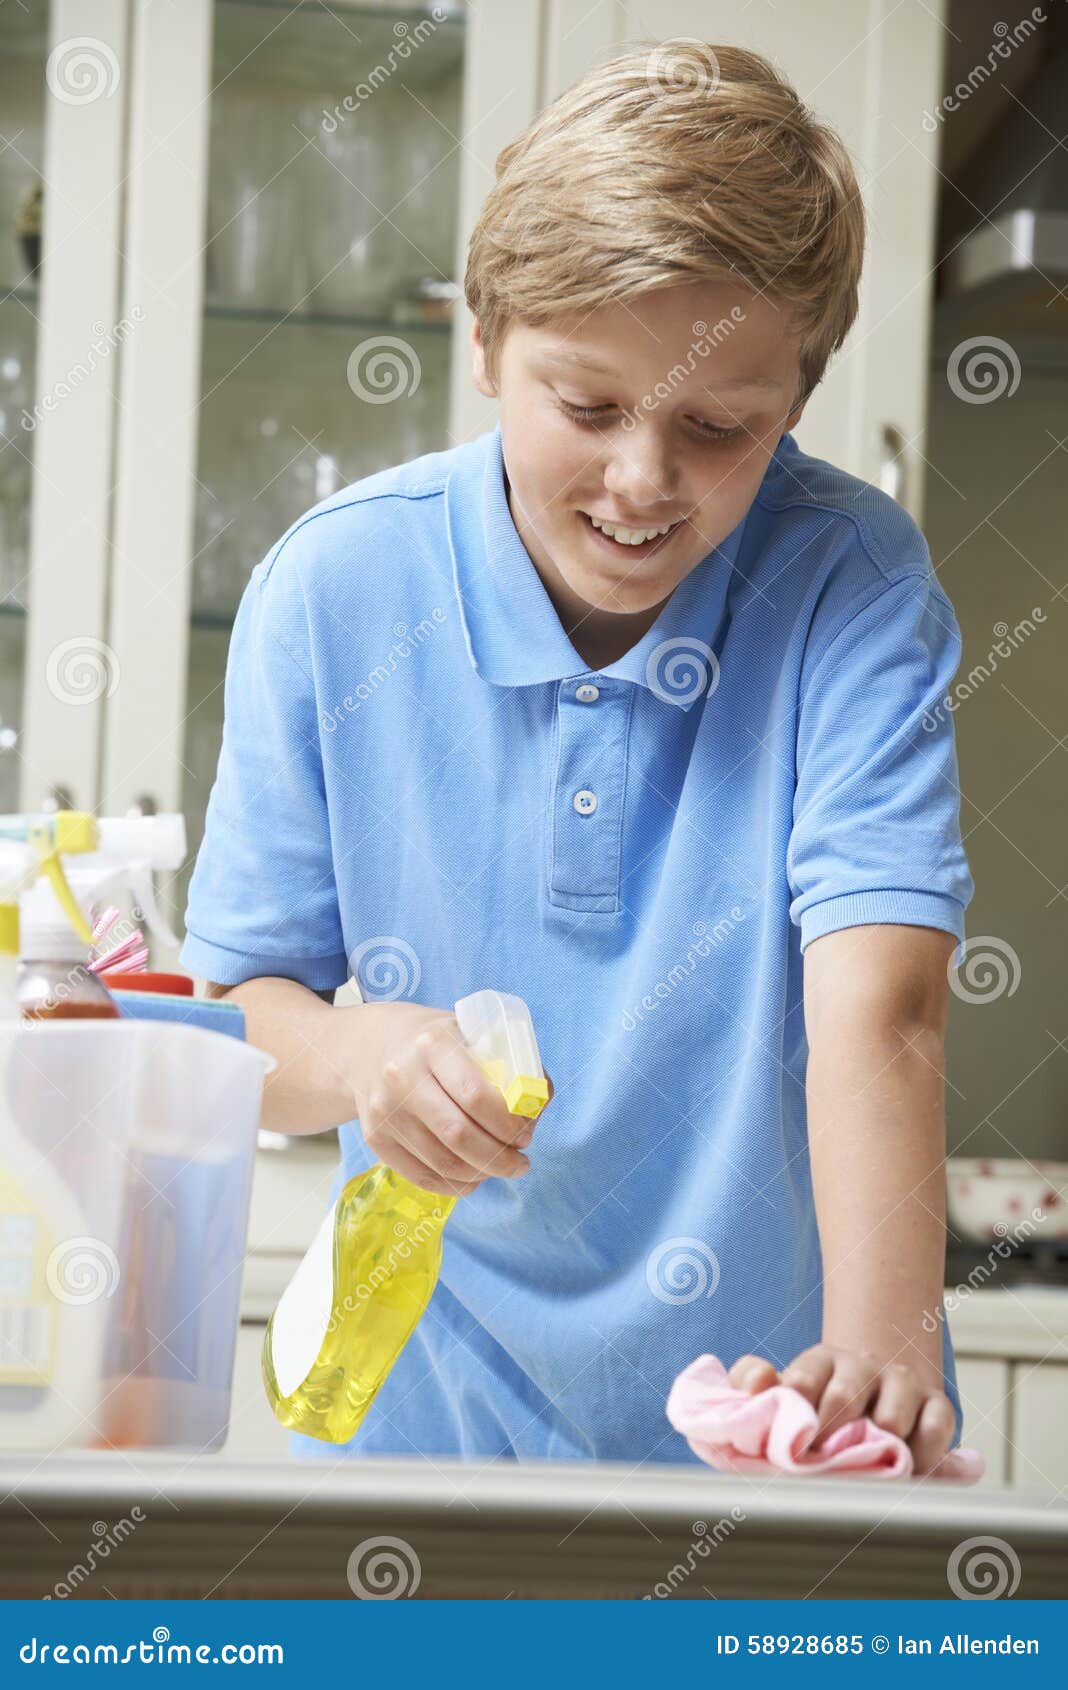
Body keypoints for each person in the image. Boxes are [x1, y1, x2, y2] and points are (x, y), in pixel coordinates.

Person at [181, 42, 973, 1472]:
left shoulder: (854, 583)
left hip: (770, 1433)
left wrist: (881, 1357)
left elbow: (888, 1007)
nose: (642, 480)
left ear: (798, 399)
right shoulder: (335, 591)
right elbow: (241, 1020)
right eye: (588, 405)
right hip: (421, 1442)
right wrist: (359, 1048)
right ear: (483, 341)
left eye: (720, 427)